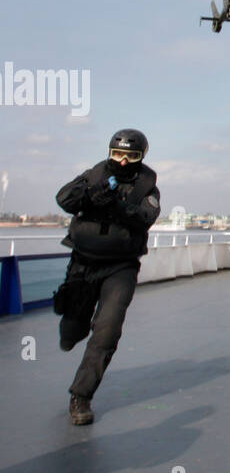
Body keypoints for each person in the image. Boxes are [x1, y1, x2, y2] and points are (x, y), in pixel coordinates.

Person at [54, 129, 160, 424]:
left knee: (107, 330)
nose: (123, 162)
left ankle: (81, 397)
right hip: (83, 263)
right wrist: (90, 194)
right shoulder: (94, 175)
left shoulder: (148, 187)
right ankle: (71, 331)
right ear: (109, 152)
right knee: (71, 332)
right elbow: (63, 199)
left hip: (121, 267)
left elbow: (145, 219)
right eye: (117, 154)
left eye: (131, 156)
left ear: (141, 158)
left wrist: (117, 205)